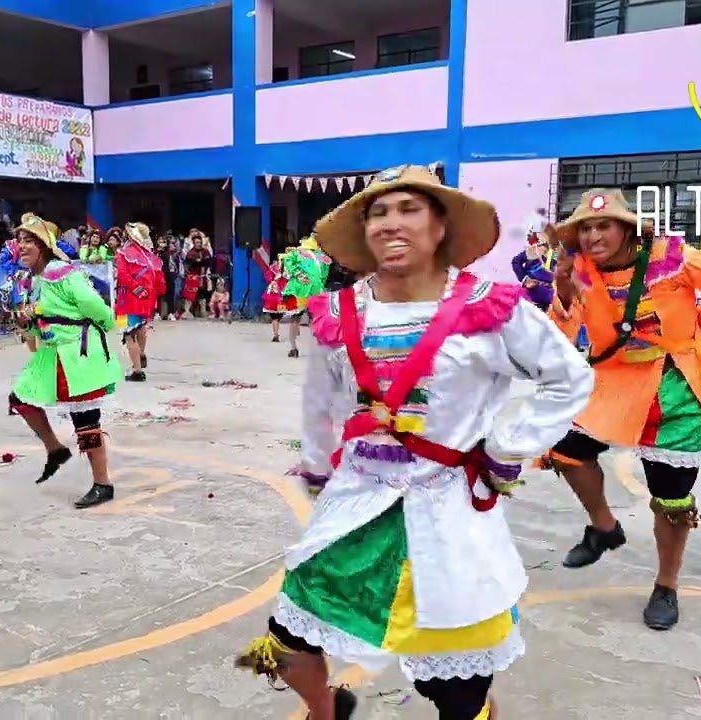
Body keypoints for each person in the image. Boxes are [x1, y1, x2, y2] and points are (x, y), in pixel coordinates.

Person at [233, 165, 593, 719]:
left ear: (440, 225)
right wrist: (317, 468)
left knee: (455, 690)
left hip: (448, 513)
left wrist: (506, 446)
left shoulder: (489, 308)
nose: (391, 223)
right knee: (287, 641)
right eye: (378, 212)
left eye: (409, 209)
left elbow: (569, 377)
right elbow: (320, 401)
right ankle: (327, 712)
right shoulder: (339, 311)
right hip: (357, 507)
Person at [537, 188, 701, 631]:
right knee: (564, 450)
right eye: (586, 228)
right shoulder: (579, 271)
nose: (594, 235)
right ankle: (604, 527)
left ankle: (666, 586)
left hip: (675, 390)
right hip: (611, 386)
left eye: (604, 225)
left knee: (671, 498)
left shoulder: (673, 258)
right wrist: (560, 290)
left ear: (627, 228)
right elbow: (560, 330)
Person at [8, 214, 121, 509]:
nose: (21, 246)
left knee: (85, 420)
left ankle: (102, 483)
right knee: (20, 398)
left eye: (28, 241)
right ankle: (55, 448)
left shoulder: (63, 273)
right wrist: (26, 322)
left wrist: (100, 327)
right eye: (19, 241)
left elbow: (97, 308)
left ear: (44, 246)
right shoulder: (31, 280)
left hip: (77, 351)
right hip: (51, 354)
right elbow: (36, 325)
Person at [115, 222, 166, 382]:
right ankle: (141, 353)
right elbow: (161, 285)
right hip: (148, 300)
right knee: (142, 327)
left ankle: (137, 371)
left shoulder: (124, 253)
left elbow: (122, 275)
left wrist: (137, 289)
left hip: (129, 298)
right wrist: (148, 293)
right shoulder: (151, 257)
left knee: (129, 334)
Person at [278, 235, 328, 358]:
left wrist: (298, 274)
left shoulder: (301, 253)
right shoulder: (320, 256)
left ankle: (294, 348)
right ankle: (315, 349)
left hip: (302, 290)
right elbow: (324, 275)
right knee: (313, 320)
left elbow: (288, 262)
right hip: (312, 291)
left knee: (297, 318)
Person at [511, 225, 556, 311]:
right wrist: (525, 279)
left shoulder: (555, 253)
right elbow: (516, 261)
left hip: (550, 292)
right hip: (533, 292)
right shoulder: (534, 250)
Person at [261, 254, 292, 342]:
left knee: (274, 318)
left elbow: (267, 278)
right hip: (281, 298)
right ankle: (294, 332)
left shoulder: (271, 270)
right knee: (279, 317)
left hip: (270, 298)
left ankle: (276, 334)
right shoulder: (287, 271)